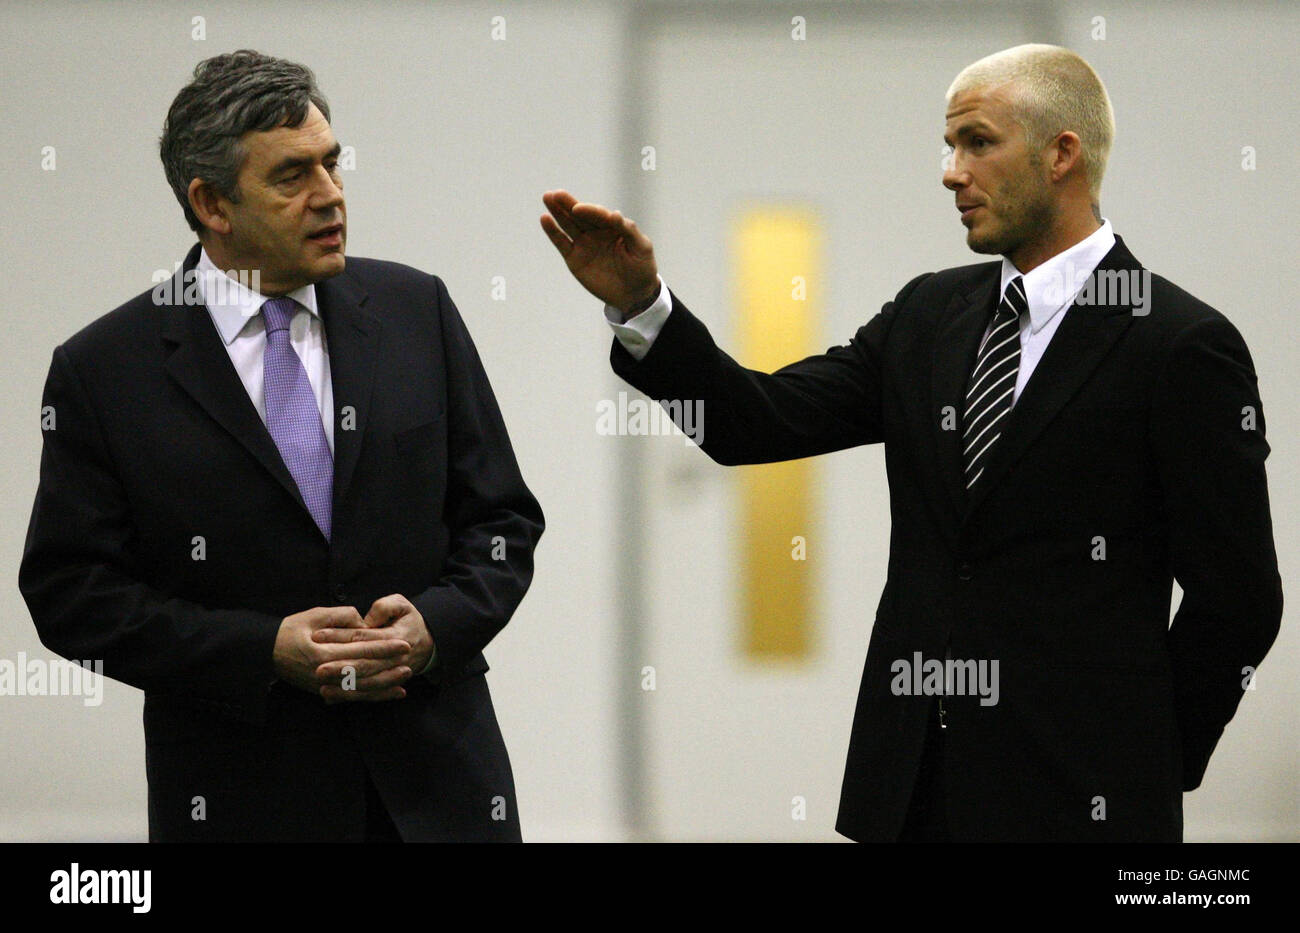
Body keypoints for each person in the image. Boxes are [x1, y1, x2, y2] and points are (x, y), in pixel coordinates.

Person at [540, 44, 1281, 842]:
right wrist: (646, 309)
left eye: (977, 142)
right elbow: (753, 420)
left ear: (1061, 153)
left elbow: (1238, 599)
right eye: (949, 144)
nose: (950, 171)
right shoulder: (930, 316)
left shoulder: (1178, 344)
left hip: (1083, 802)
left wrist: (1150, 755)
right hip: (910, 796)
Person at [19, 50, 544, 842]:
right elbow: (72, 594)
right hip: (243, 801)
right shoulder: (105, 370)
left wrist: (435, 626)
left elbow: (502, 521)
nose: (331, 195)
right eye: (292, 176)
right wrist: (262, 650)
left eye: (332, 164)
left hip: (440, 795)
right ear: (211, 204)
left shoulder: (415, 311)